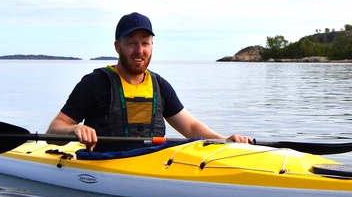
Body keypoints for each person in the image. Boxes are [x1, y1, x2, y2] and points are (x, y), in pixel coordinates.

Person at [47, 12, 251, 151]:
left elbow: (190, 129)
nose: (139, 51)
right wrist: (75, 129)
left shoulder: (159, 86)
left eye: (145, 43)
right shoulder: (95, 83)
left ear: (152, 45)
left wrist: (224, 141)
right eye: (132, 43)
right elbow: (53, 132)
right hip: (103, 165)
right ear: (117, 46)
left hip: (152, 165)